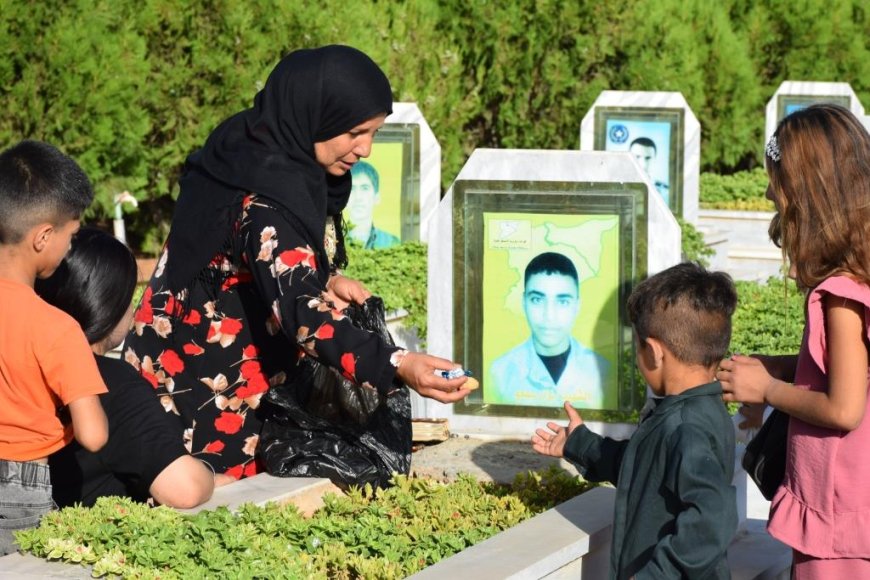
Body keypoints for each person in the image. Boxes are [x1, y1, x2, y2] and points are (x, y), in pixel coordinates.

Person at [124, 45, 471, 479]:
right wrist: (399, 364)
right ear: (315, 116)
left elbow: (252, 262)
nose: (365, 149)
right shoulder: (268, 200)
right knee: (216, 517)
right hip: (202, 386)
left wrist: (325, 278)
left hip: (187, 355)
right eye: (355, 133)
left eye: (374, 133)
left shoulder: (248, 150)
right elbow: (302, 312)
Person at [717, 104, 870, 578]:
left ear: (810, 194)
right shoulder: (859, 278)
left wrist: (766, 390)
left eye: (776, 184)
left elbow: (844, 408)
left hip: (839, 512)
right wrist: (779, 367)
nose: (767, 192)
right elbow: (849, 368)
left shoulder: (839, 295)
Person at [532, 262, 738, 579]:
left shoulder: (686, 428)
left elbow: (713, 517)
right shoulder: (695, 410)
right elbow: (645, 469)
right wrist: (579, 443)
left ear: (653, 352)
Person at [37, 228, 222, 509]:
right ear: (110, 304)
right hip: (83, 546)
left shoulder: (21, 363)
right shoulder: (109, 380)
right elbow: (185, 488)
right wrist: (210, 478)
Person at [0, 141, 109, 555]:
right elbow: (94, 435)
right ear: (44, 236)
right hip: (21, 493)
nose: (69, 250)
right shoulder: (56, 327)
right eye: (72, 236)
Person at [490, 252, 609, 408]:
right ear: (524, 302)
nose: (549, 316)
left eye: (563, 301)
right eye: (537, 299)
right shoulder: (499, 373)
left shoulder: (604, 370)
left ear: (577, 305)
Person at [346, 160, 400, 249]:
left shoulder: (391, 243)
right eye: (352, 189)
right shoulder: (333, 242)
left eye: (365, 188)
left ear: (377, 197)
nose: (358, 197)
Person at [629, 137, 669, 206]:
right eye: (637, 157)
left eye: (648, 158)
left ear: (655, 160)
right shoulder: (615, 189)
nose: (643, 164)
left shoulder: (666, 193)